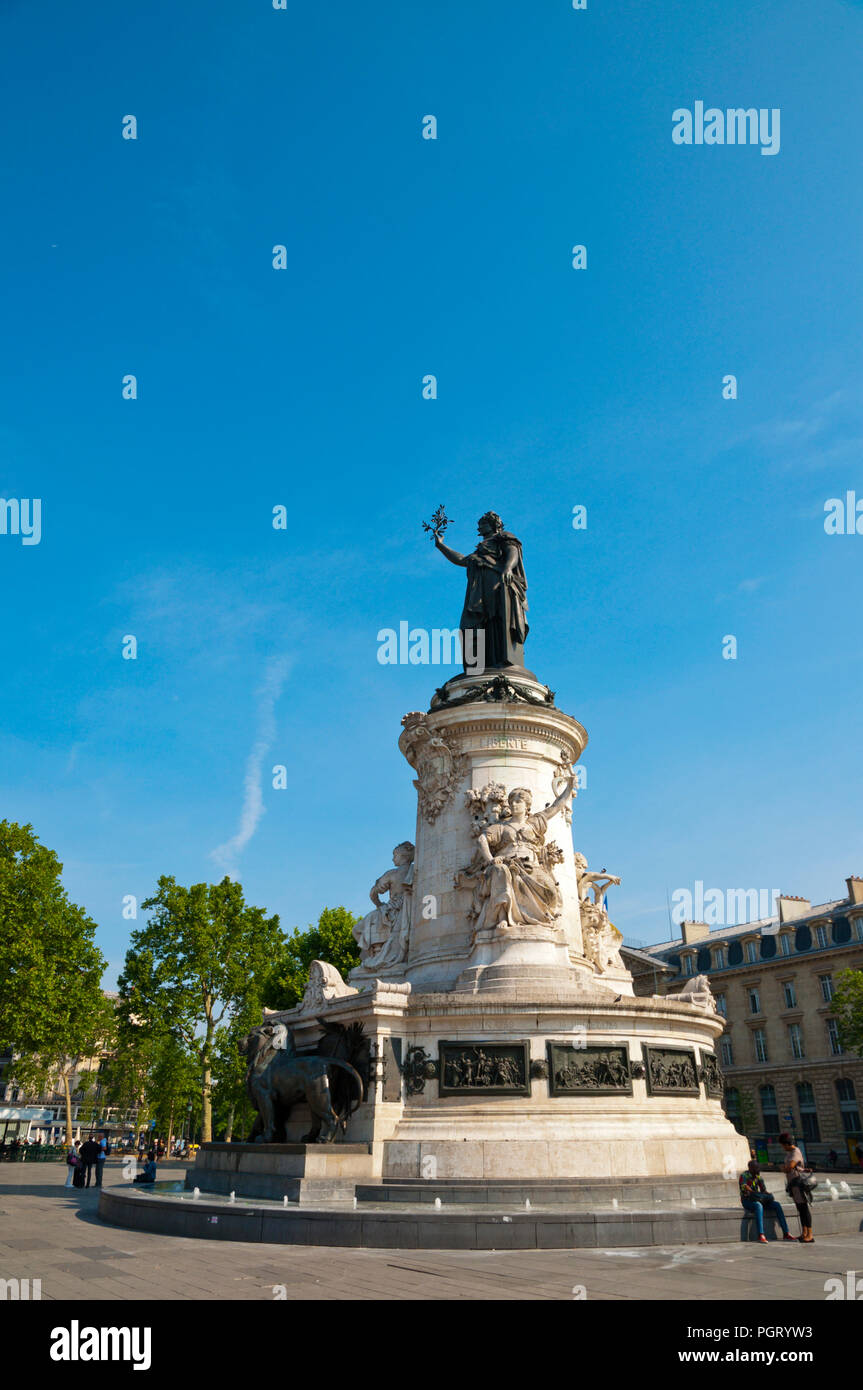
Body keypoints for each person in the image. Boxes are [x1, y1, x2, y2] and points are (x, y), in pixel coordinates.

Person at [739, 1161, 796, 1244]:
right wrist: (751, 1191)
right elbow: (744, 1186)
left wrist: (768, 1195)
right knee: (758, 1206)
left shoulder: (758, 1177)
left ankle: (786, 1233)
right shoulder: (744, 1176)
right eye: (755, 1168)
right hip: (747, 1201)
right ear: (750, 1168)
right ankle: (761, 1235)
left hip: (757, 1199)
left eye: (758, 1168)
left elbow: (763, 1190)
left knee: (776, 1204)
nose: (757, 1169)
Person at [780, 1132, 815, 1242]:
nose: (782, 1148)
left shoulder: (795, 1152)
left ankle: (810, 1234)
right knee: (800, 1209)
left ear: (787, 1144)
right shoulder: (790, 1152)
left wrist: (784, 1168)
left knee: (804, 1209)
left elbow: (790, 1167)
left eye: (783, 1145)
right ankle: (804, 1232)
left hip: (799, 1183)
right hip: (793, 1184)